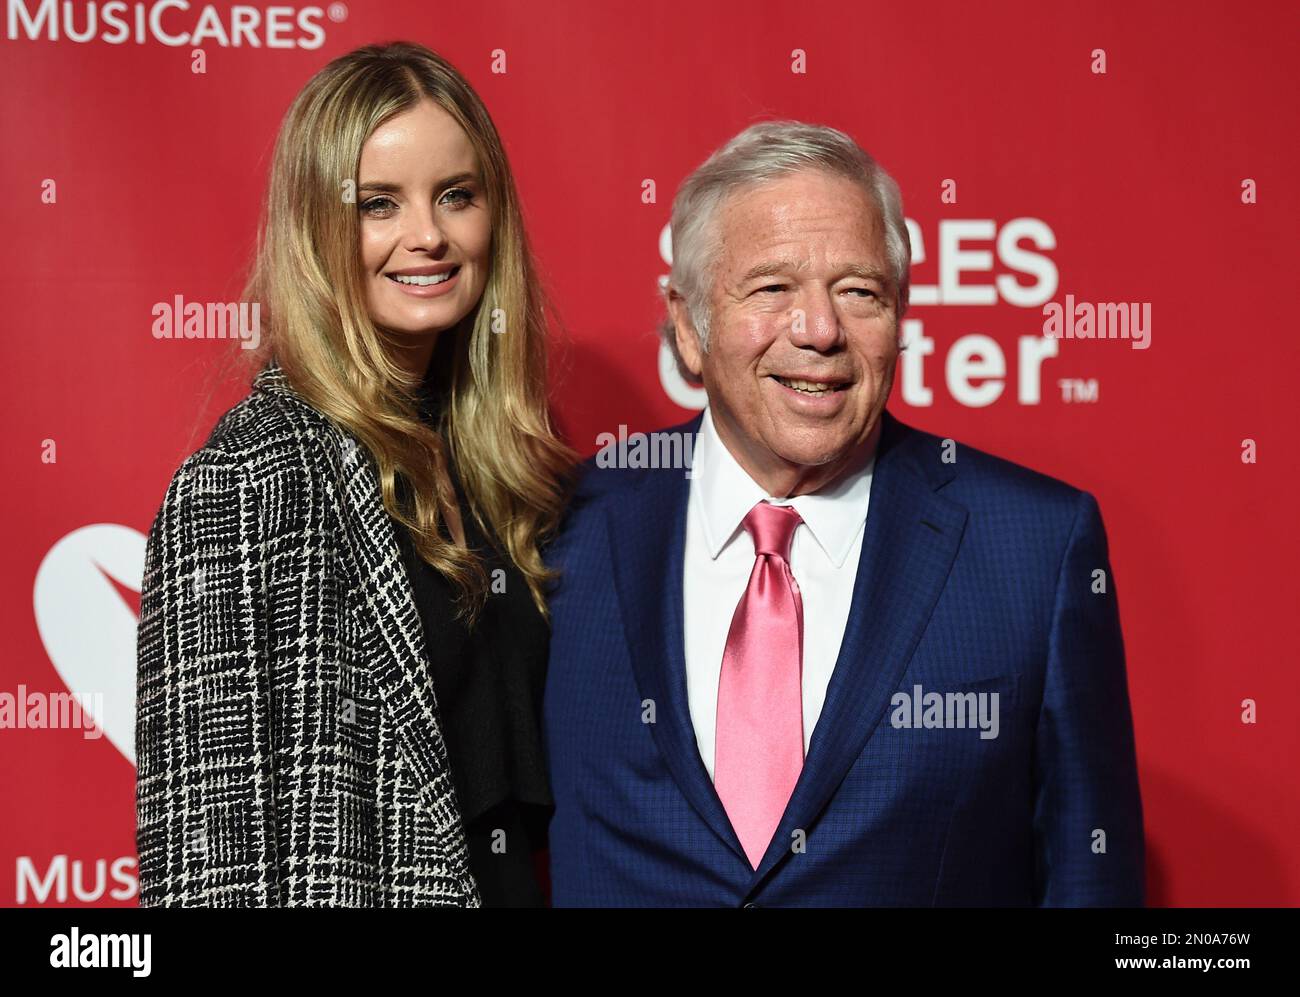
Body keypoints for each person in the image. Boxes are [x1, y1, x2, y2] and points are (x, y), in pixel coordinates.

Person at [543, 121, 1145, 907]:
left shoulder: (1034, 546)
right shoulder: (559, 528)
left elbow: (1090, 874)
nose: (819, 330)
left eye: (859, 292)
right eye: (772, 288)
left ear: (900, 315)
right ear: (687, 325)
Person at [135, 41, 570, 907]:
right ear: (316, 224)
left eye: (457, 195)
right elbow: (204, 872)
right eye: (379, 203)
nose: (429, 236)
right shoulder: (247, 482)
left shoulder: (503, 471)